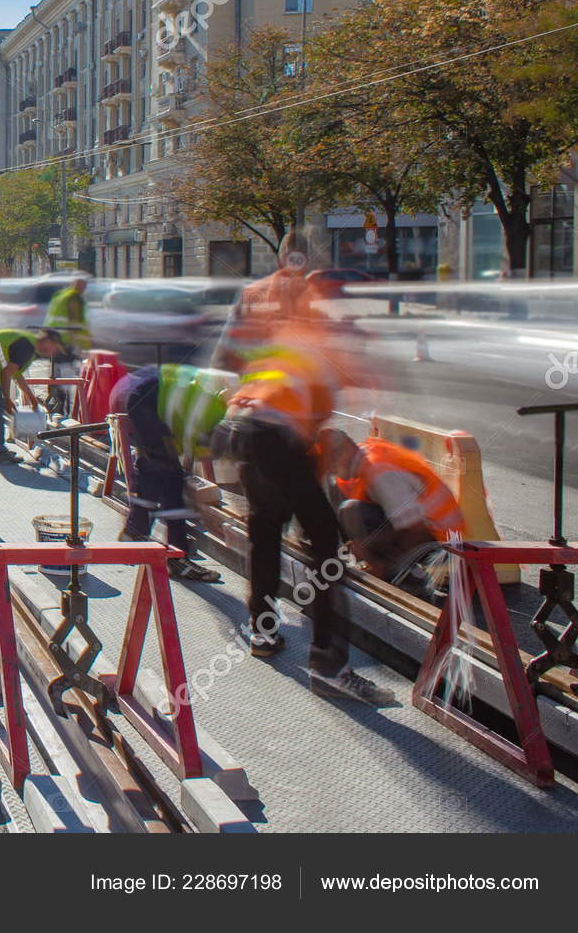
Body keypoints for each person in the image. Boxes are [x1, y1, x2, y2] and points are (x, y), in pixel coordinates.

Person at [215, 324, 396, 704]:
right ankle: (330, 668)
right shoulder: (321, 370)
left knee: (265, 534)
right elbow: (308, 447)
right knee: (327, 552)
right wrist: (318, 518)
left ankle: (263, 632)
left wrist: (294, 501)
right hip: (271, 441)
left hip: (237, 433)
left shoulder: (279, 361)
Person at [109, 364, 225, 582]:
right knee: (168, 478)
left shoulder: (206, 401)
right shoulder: (210, 410)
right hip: (144, 402)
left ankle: (135, 532)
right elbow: (193, 443)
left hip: (141, 396)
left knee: (160, 474)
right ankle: (173, 555)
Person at [318, 429, 464, 583]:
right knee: (348, 508)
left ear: (346, 450)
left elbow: (416, 531)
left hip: (441, 545)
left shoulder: (381, 474)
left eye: (332, 463)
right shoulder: (364, 456)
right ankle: (388, 567)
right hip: (428, 530)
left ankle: (406, 577)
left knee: (351, 511)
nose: (332, 471)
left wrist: (372, 553)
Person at [213, 231, 327, 372]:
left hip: (257, 379)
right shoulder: (317, 299)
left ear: (278, 262)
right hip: (281, 380)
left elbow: (225, 352)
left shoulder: (252, 293)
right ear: (309, 264)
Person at [0, 328, 66, 465]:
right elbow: (7, 373)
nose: (53, 352)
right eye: (54, 347)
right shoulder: (27, 346)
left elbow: (17, 375)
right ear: (47, 341)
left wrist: (32, 399)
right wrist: (7, 399)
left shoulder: (28, 345)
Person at [44, 276, 91, 415]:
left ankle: (54, 406)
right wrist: (82, 346)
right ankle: (63, 409)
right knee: (65, 377)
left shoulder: (60, 296)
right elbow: (75, 322)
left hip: (54, 340)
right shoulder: (74, 298)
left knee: (56, 374)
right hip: (65, 344)